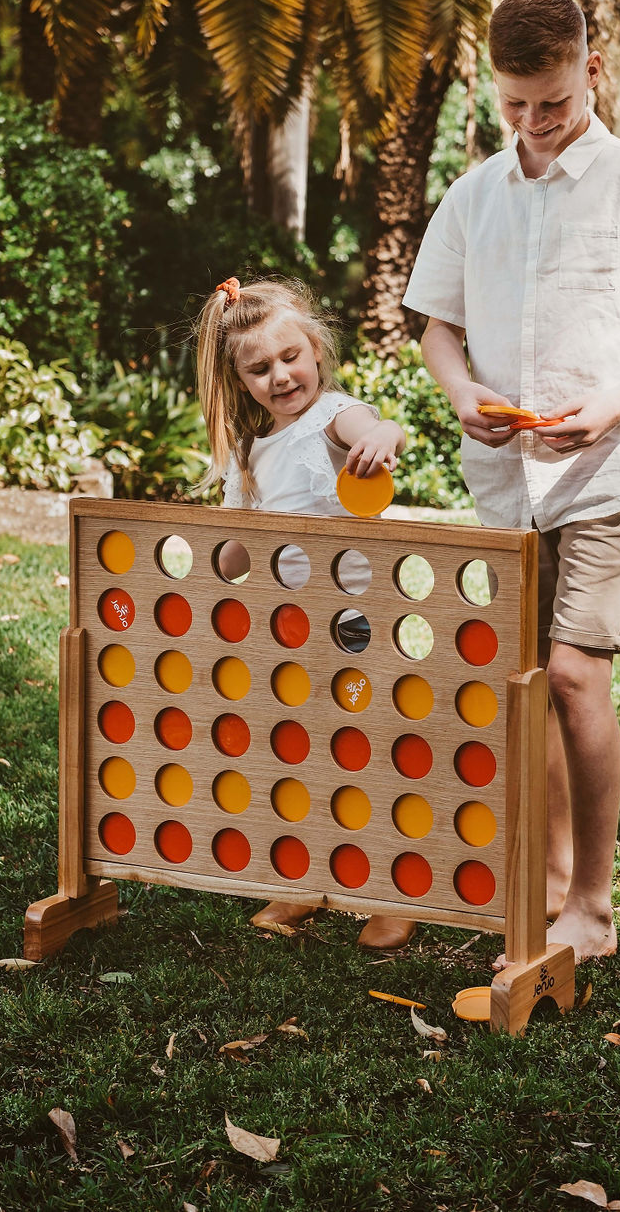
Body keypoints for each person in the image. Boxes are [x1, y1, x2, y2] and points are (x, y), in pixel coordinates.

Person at [402, 0, 620, 964]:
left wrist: (613, 405)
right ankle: (543, 885)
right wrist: (462, 391)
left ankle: (592, 904)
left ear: (591, 68)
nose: (534, 121)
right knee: (530, 681)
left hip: (604, 472)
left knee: (578, 675)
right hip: (506, 481)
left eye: (552, 101)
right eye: (514, 104)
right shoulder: (473, 195)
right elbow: (437, 327)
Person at [195, 275, 411, 949]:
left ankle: (391, 892)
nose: (281, 377)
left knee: (359, 753)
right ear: (239, 380)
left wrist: (385, 434)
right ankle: (303, 879)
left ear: (316, 350)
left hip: (349, 627)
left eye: (290, 357)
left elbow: (376, 428)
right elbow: (235, 553)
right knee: (293, 754)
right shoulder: (251, 450)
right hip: (283, 630)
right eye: (259, 369)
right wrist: (213, 552)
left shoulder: (335, 417)